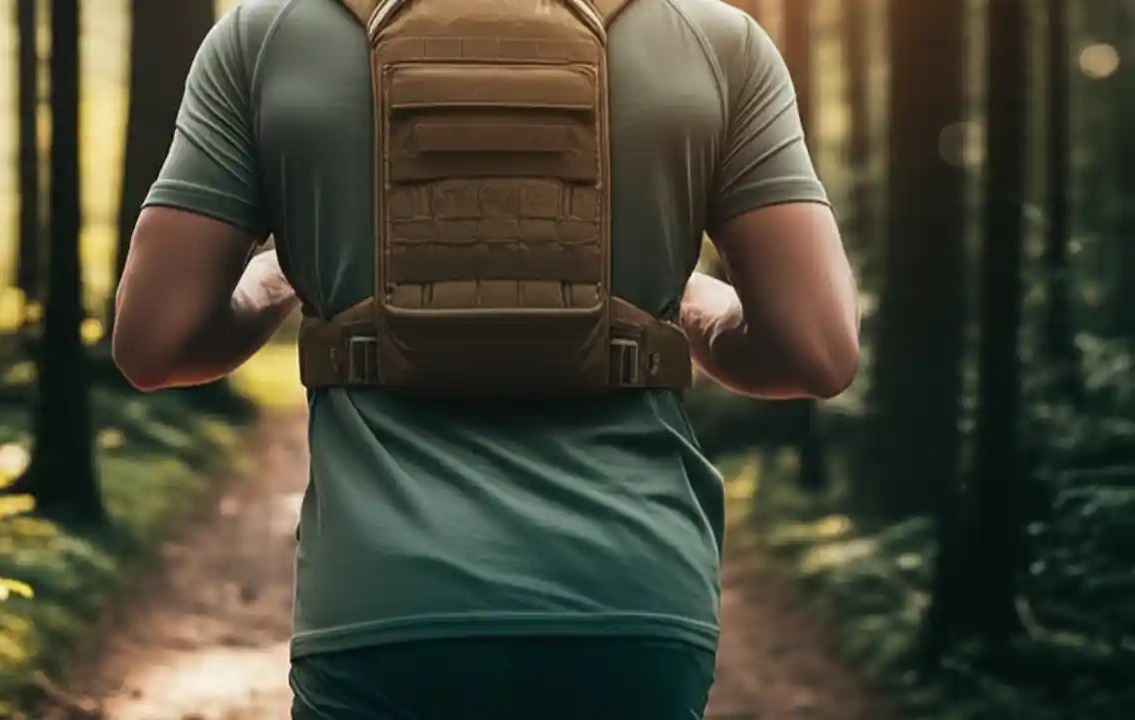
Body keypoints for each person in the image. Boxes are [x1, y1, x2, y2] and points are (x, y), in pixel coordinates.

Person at [112, 0, 859, 716]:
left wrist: (281, 274)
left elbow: (154, 344)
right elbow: (817, 353)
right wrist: (683, 301)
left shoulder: (265, 40)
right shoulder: (714, 42)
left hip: (382, 610)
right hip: (631, 603)